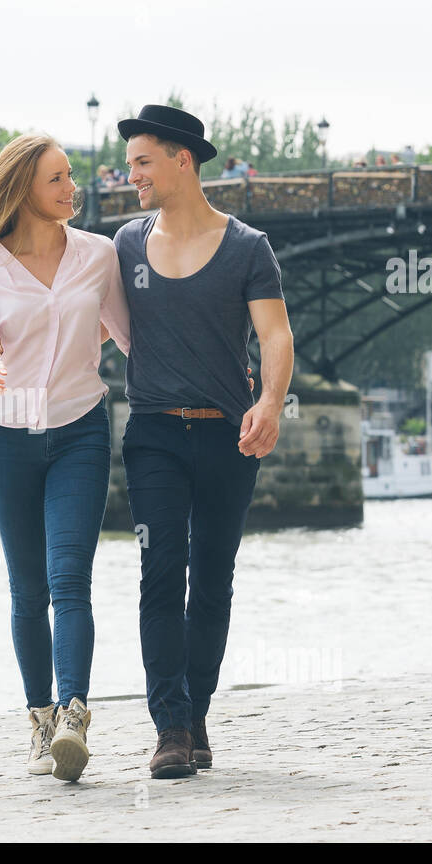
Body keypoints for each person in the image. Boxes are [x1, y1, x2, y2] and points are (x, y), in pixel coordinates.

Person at [115, 104, 294, 778]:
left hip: (226, 435)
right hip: (155, 433)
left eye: (141, 161)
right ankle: (168, 728)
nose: (130, 175)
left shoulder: (249, 247)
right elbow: (87, 313)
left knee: (213, 580)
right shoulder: (127, 245)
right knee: (161, 574)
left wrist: (270, 401)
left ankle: (195, 714)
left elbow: (275, 336)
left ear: (181, 160)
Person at [0, 133, 132, 782]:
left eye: (69, 177)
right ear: (23, 189)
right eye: (57, 179)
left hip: (81, 431)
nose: (71, 188)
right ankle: (38, 722)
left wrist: (206, 382)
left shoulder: (99, 255)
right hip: (9, 437)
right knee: (28, 591)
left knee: (69, 579)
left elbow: (132, 337)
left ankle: (74, 717)